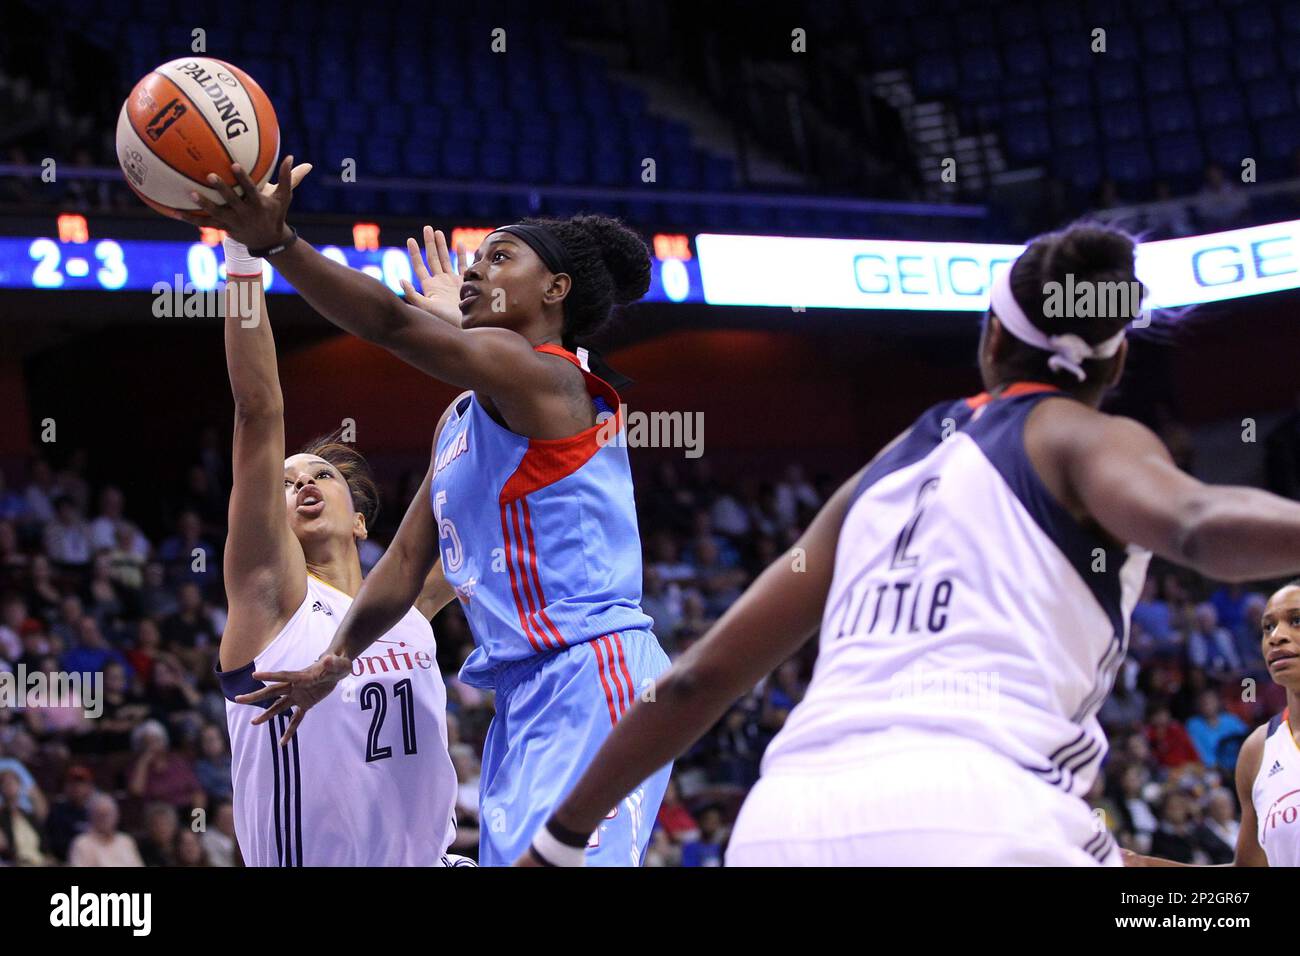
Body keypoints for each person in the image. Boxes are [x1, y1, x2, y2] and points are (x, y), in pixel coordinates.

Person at [514, 223, 1300, 866]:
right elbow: (1196, 525)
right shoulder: (1081, 435)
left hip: (783, 824)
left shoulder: (887, 468)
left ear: (991, 337)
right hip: (984, 816)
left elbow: (697, 680)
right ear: (1118, 356)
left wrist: (558, 840)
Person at [198, 158, 671, 866]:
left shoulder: (553, 377)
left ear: (556, 288)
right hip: (521, 697)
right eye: (473, 261)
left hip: (590, 668)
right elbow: (408, 560)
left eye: (499, 258)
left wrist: (277, 245)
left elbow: (392, 324)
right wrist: (337, 661)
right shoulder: (461, 419)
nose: (476, 271)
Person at [181, 167, 461, 866]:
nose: (302, 481)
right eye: (286, 482)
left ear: (362, 522)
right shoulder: (269, 599)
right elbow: (259, 411)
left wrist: (471, 333)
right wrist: (244, 254)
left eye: (323, 475)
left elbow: (482, 455)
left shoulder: (408, 607)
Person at [1126, 581, 1300, 866]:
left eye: (1297, 620)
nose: (1277, 636)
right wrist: (1143, 865)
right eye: (1268, 627)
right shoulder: (1258, 750)